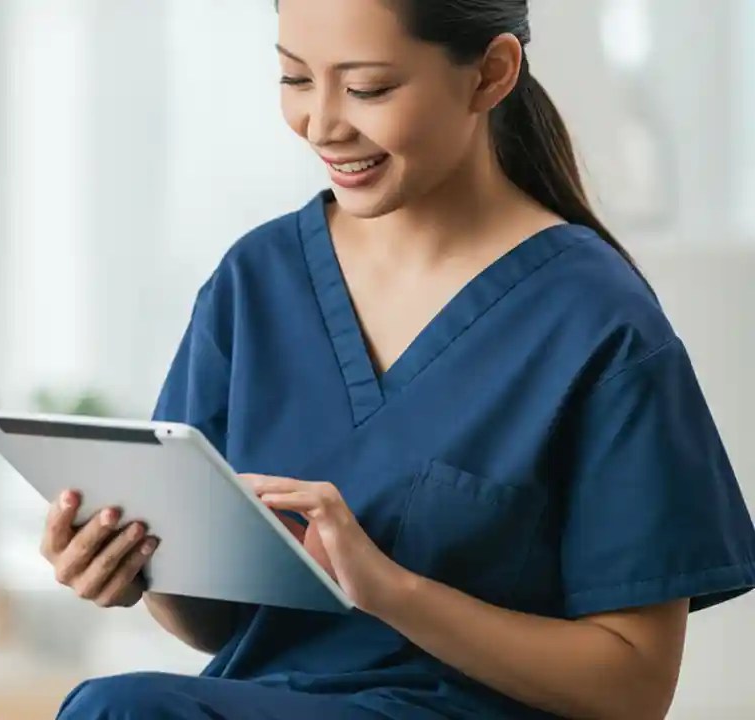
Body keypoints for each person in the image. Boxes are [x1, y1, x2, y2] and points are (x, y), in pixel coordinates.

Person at [41, 0, 755, 717]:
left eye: (367, 89)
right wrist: (136, 570)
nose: (322, 124)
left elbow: (633, 689)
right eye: (295, 79)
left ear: (491, 74)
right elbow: (223, 628)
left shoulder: (596, 320)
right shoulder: (256, 280)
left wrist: (389, 589)